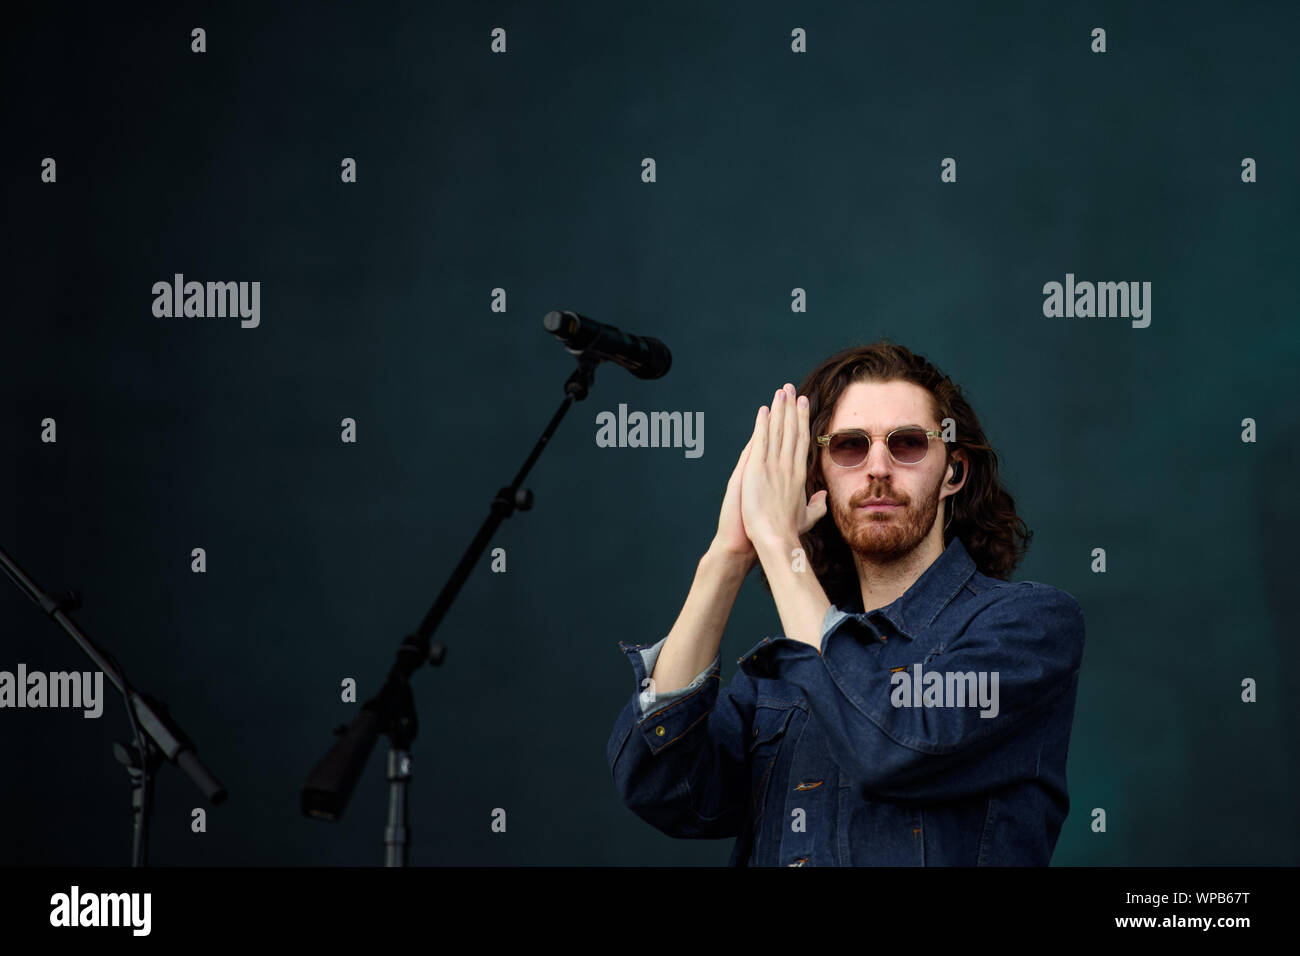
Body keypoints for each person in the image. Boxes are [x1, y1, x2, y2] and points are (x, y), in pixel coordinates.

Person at [606, 342, 1085, 865]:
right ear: (819, 478)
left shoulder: (1028, 625)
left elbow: (891, 746)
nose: (878, 467)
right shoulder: (782, 672)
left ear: (953, 472)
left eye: (907, 443)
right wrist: (730, 553)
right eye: (849, 447)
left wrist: (781, 544)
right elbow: (661, 788)